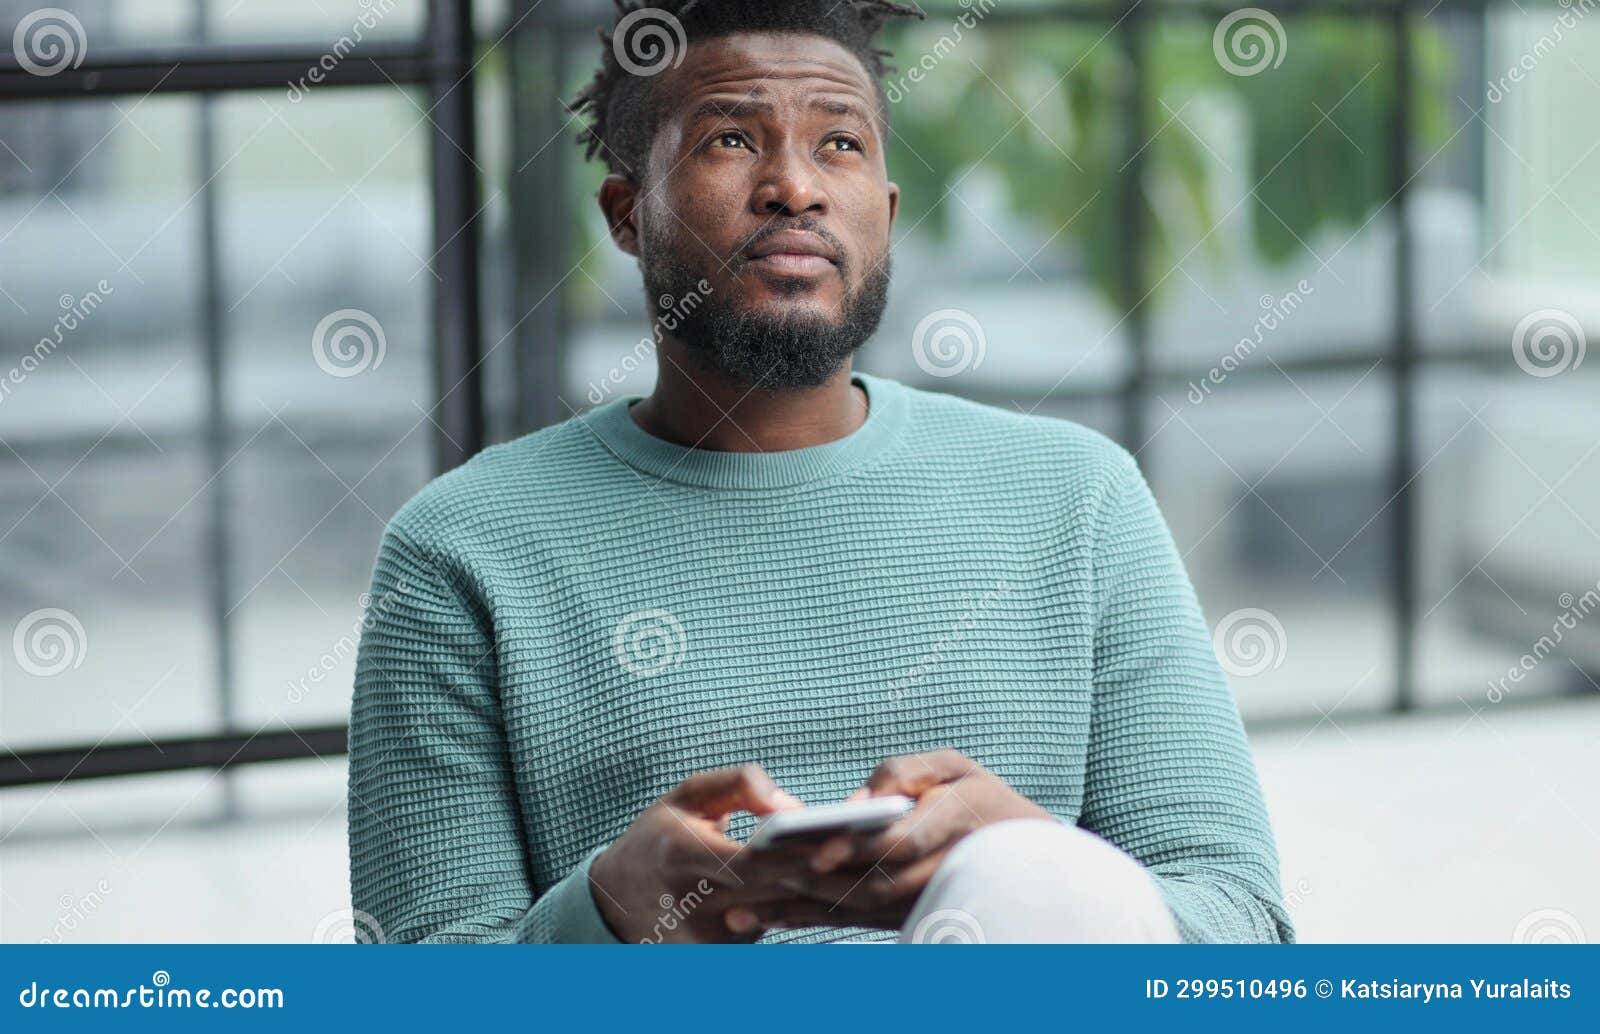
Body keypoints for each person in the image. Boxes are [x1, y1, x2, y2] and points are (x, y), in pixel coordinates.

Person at [347, 0, 1293, 945]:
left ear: (885, 212)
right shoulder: (462, 548)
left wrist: (1034, 866)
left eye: (840, 144)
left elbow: (1243, 928)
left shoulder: (1079, 497)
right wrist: (610, 913)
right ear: (628, 214)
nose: (795, 187)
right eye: (729, 139)